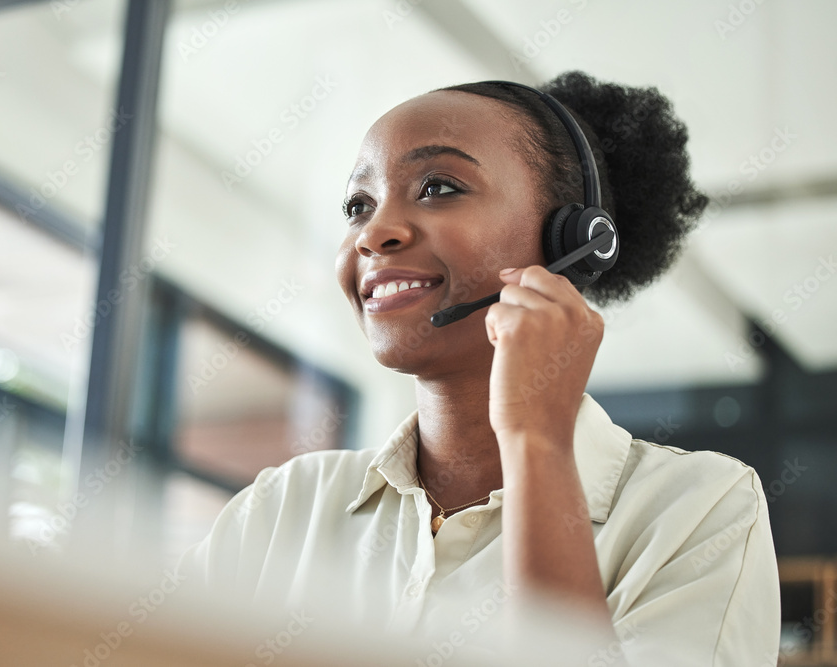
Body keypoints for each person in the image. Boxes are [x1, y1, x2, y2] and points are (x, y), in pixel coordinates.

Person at [174, 72, 780, 665]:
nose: (373, 233)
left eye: (438, 187)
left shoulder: (699, 510)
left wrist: (537, 441)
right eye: (358, 205)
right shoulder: (283, 508)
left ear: (576, 241)